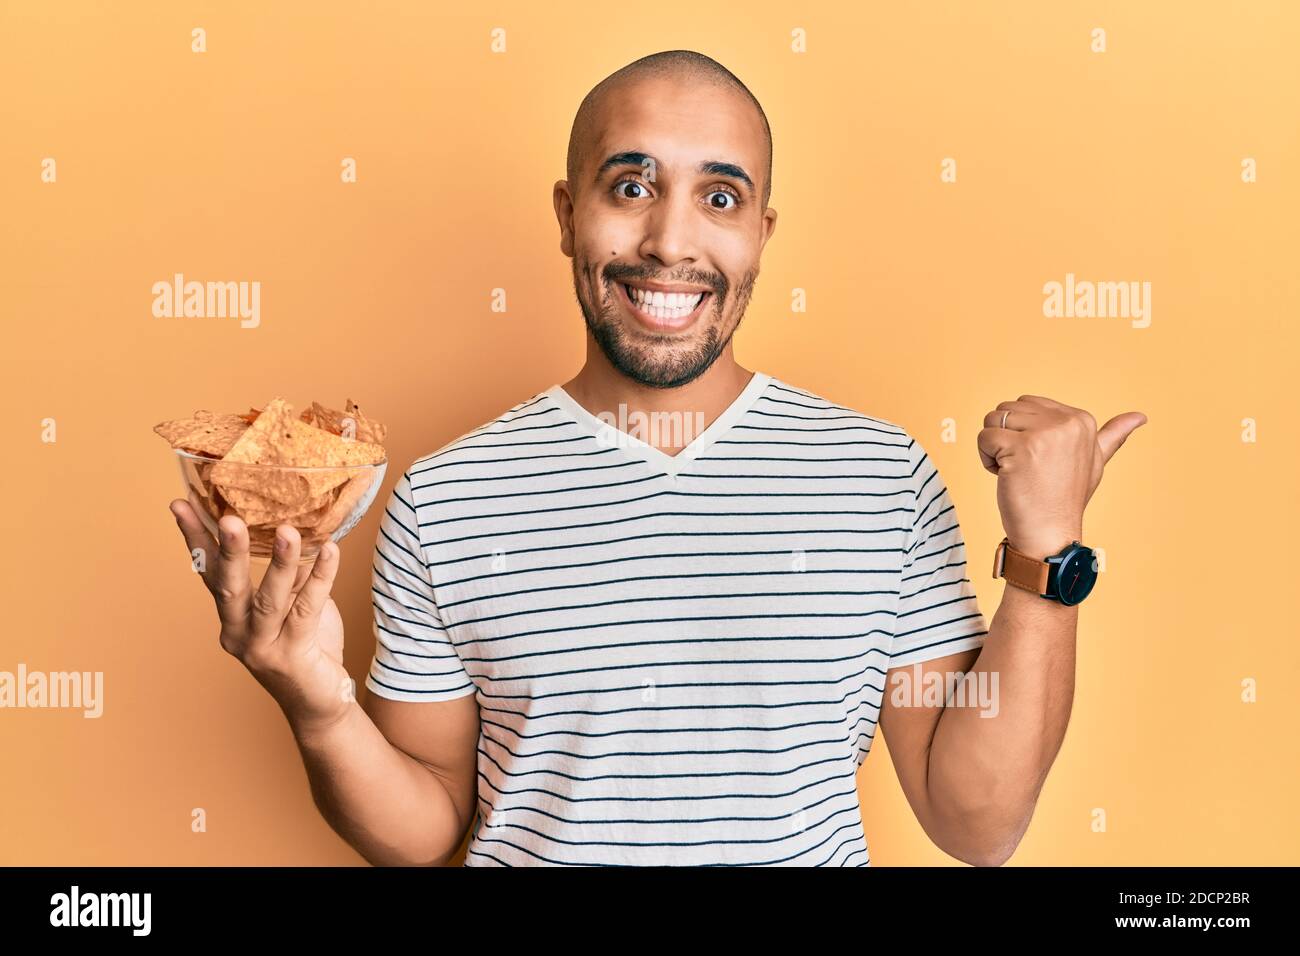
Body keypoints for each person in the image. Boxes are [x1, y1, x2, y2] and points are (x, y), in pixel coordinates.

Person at [169, 50, 1146, 866]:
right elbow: (426, 828)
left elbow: (974, 820)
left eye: (719, 196)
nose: (669, 239)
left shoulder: (879, 480)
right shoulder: (445, 498)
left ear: (760, 235)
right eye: (630, 185)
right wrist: (315, 702)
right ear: (566, 213)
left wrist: (1046, 549)